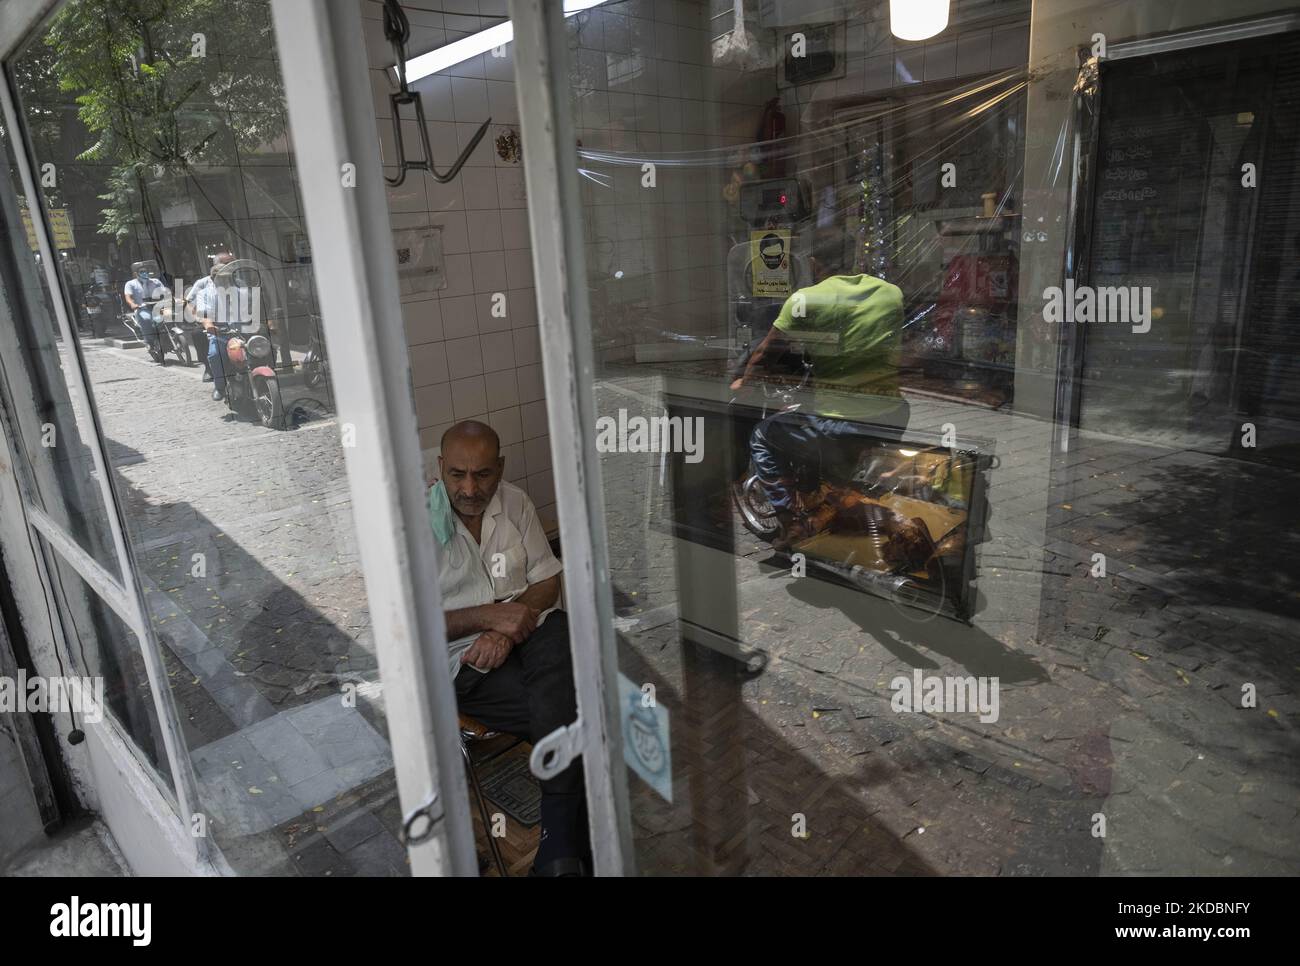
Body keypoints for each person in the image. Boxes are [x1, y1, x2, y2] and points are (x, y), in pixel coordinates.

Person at [427, 420, 589, 877]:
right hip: (466, 662)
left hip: (530, 633)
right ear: (440, 468)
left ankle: (561, 855)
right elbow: (407, 629)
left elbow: (546, 580)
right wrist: (485, 618)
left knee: (557, 631)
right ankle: (566, 850)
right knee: (577, 715)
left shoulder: (515, 502)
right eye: (457, 474)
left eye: (482, 474)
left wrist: (506, 629)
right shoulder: (416, 526)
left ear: (500, 468)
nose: (470, 488)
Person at [731, 268, 910, 549]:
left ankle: (792, 524)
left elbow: (766, 352)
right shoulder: (891, 293)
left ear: (813, 263)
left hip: (844, 422)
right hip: (894, 413)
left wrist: (745, 382)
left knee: (763, 435)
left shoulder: (806, 299)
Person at [185, 251, 234, 382]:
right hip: (209, 319)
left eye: (232, 263)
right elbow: (189, 302)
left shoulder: (237, 280)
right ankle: (208, 367)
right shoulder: (203, 283)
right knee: (198, 334)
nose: (231, 266)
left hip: (234, 320)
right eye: (227, 264)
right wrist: (199, 319)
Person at [123, 260, 169, 352]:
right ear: (136, 274)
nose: (145, 273)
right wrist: (132, 304)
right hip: (142, 308)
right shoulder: (130, 284)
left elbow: (166, 292)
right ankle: (149, 342)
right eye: (142, 272)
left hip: (158, 306)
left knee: (170, 316)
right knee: (146, 319)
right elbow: (128, 297)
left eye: (146, 271)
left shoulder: (155, 281)